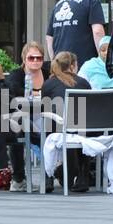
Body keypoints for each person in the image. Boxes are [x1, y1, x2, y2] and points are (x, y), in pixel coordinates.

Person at [41, 51, 93, 193]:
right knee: (82, 127)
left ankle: (48, 177)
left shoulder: (48, 84)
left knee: (47, 122)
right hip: (82, 130)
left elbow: (44, 107)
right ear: (73, 66)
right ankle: (83, 177)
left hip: (57, 130)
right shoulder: (84, 83)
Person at [5, 42, 50, 191]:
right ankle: (18, 178)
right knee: (17, 127)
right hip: (24, 115)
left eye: (39, 58)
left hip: (46, 114)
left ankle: (52, 174)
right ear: (24, 59)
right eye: (31, 58)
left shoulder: (49, 72)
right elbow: (13, 95)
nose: (36, 61)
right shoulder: (16, 75)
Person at [46, 0, 106, 65]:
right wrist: (103, 59)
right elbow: (97, 31)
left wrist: (54, 60)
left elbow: (49, 37)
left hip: (60, 64)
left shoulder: (58, 4)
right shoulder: (91, 0)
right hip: (84, 65)